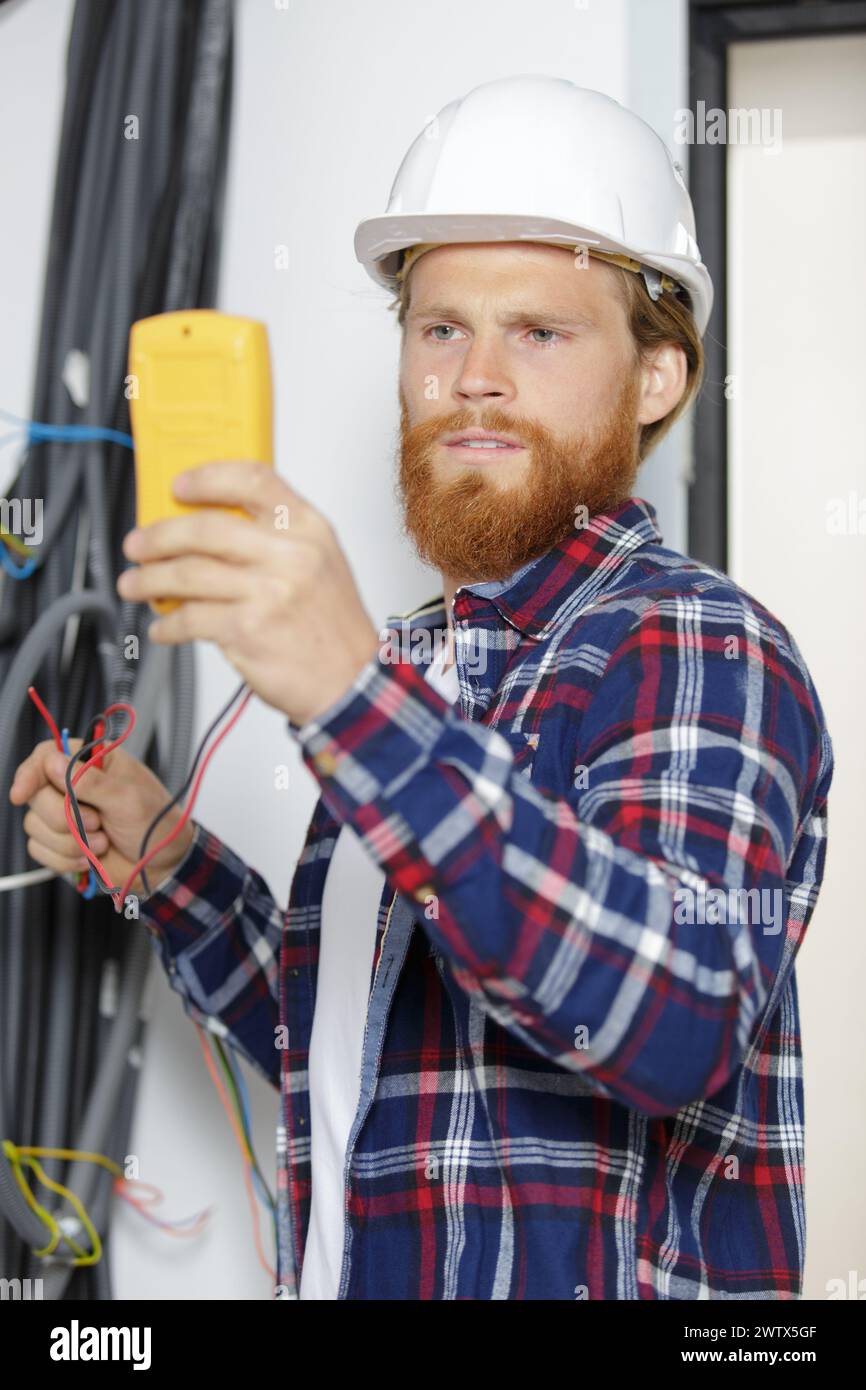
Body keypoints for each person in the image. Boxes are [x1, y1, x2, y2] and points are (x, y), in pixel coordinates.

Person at [10, 75, 834, 1300]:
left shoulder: (699, 644)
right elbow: (368, 1043)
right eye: (439, 328)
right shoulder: (413, 664)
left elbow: (672, 1012)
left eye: (538, 333)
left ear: (656, 377)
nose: (474, 377)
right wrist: (170, 864)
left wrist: (351, 695)